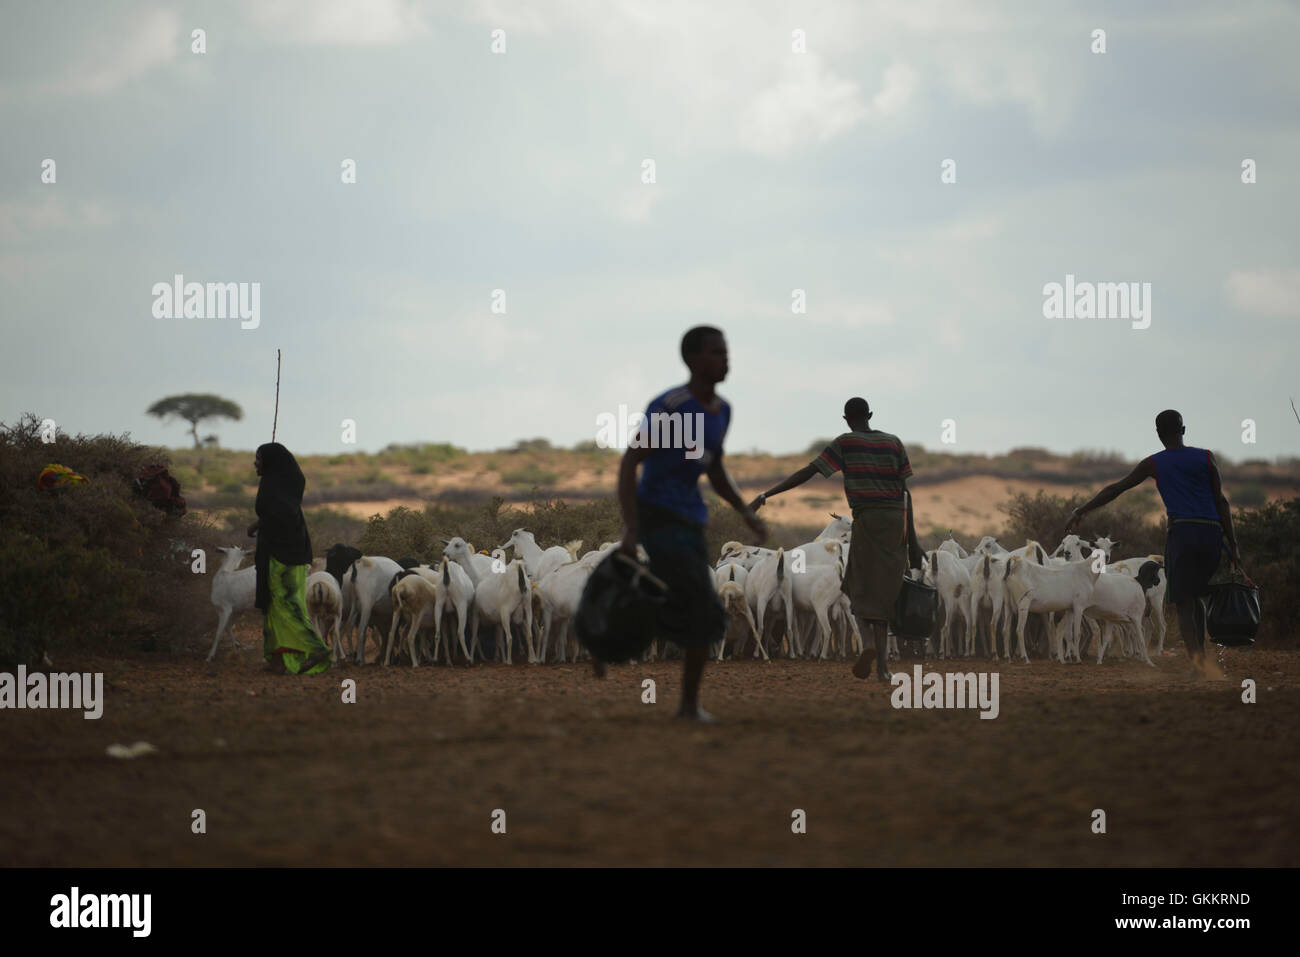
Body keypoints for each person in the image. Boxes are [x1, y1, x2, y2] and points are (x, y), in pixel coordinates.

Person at [610, 326, 767, 722]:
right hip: (657, 515)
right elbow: (631, 461)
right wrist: (631, 526)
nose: (725, 359)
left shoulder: (723, 411)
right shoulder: (671, 406)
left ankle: (616, 621)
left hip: (691, 518)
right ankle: (686, 706)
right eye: (716, 352)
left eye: (726, 351)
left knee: (698, 609)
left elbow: (713, 469)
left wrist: (744, 511)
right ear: (693, 360)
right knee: (701, 604)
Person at [750, 397, 923, 681]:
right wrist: (913, 543)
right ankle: (883, 668)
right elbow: (907, 494)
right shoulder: (894, 442)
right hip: (895, 521)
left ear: (845, 419)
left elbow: (806, 473)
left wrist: (765, 495)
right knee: (885, 592)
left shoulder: (845, 443)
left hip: (866, 520)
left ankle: (866, 645)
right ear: (870, 414)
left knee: (855, 585)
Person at [1064, 410, 1240, 674]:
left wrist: (1082, 510)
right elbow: (1221, 501)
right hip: (1212, 534)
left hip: (1183, 533)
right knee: (1196, 594)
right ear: (1184, 429)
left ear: (1158, 434)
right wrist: (1233, 544)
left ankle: (1197, 664)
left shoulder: (1154, 463)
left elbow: (1116, 489)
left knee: (1183, 601)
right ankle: (1203, 659)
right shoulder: (1206, 457)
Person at [248, 442, 331, 675]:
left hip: (284, 556)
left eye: (259, 458)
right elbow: (273, 513)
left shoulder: (278, 488)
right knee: (272, 606)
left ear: (271, 462)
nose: (255, 463)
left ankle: (316, 649)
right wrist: (258, 524)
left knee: (285, 604)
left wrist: (261, 523)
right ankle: (278, 660)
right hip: (274, 553)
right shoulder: (278, 484)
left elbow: (279, 516)